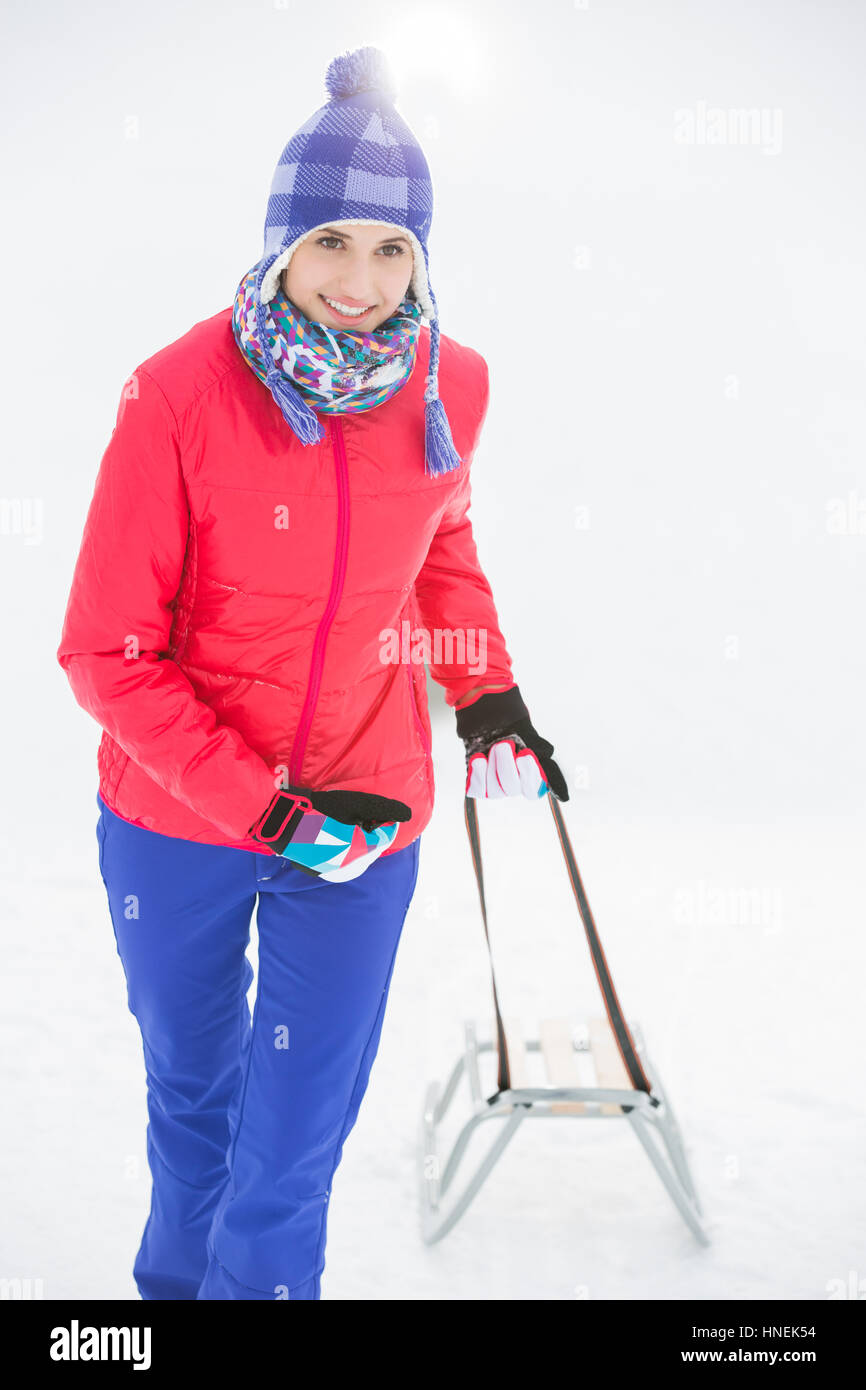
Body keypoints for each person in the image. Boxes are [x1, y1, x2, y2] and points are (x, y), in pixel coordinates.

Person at [56, 44, 568, 1301]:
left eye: (393, 250)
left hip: (366, 806)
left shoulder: (451, 382)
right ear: (284, 238)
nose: (362, 280)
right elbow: (106, 654)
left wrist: (484, 695)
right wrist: (268, 811)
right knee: (195, 1106)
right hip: (177, 815)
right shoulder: (179, 392)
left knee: (290, 1152)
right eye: (334, 241)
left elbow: (437, 544)